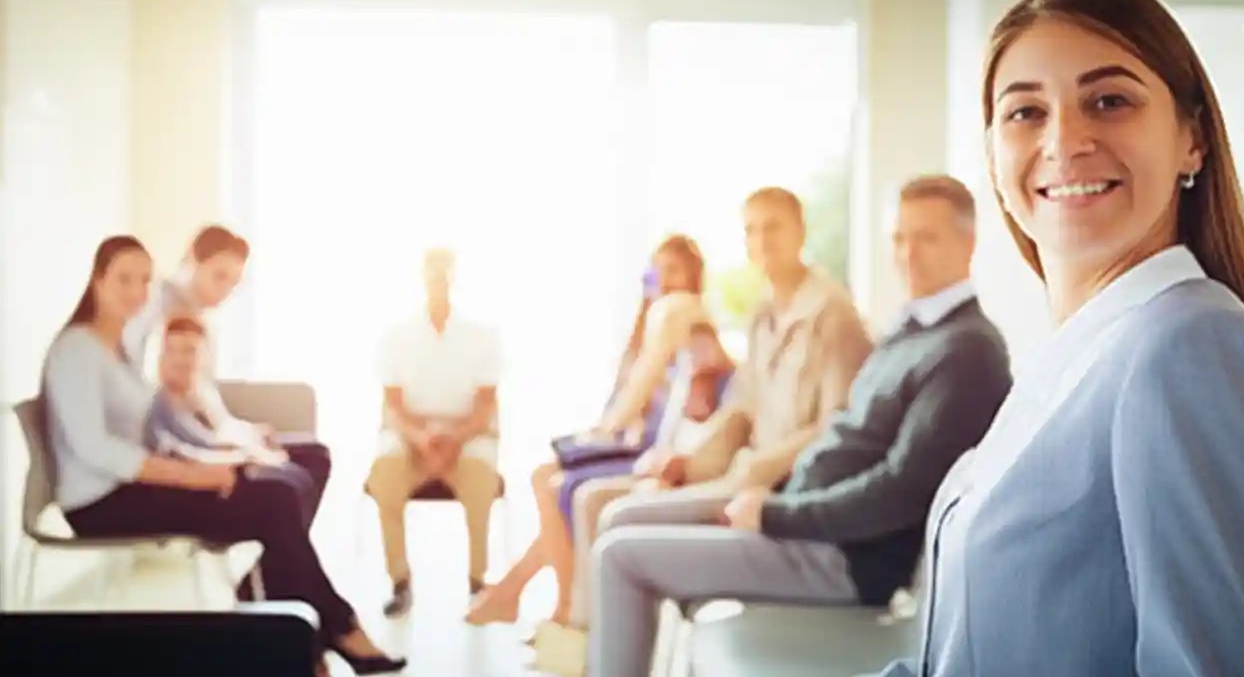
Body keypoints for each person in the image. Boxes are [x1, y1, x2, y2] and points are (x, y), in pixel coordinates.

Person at [874, 0, 1244, 677]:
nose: (1065, 141)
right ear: (995, 157)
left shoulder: (1189, 348)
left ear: (1193, 141)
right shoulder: (1076, 356)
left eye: (1109, 101)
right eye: (1025, 113)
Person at [589, 177, 1012, 676]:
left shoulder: (968, 351)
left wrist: (773, 516)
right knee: (619, 518)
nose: (907, 254)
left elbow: (899, 492)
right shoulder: (911, 330)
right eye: (898, 238)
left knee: (619, 556)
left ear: (969, 242)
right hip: (804, 516)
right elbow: (840, 441)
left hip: (841, 556)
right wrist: (767, 499)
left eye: (927, 238)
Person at [43, 236, 405, 676]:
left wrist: (211, 460)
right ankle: (328, 628)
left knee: (283, 489)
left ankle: (294, 626)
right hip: (101, 503)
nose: (137, 292)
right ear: (97, 281)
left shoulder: (116, 350)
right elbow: (96, 449)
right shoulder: (76, 350)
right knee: (275, 502)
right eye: (123, 279)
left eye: (144, 280)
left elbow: (155, 428)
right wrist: (194, 475)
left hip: (135, 484)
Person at [464, 235, 732, 628]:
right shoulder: (653, 322)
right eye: (658, 270)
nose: (664, 279)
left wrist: (609, 429)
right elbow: (629, 395)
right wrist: (607, 428)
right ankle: (544, 602)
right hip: (638, 440)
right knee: (549, 477)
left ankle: (552, 606)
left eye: (673, 269)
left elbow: (673, 400)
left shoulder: (686, 318)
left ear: (694, 273)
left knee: (556, 485)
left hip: (655, 449)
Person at [593, 187, 873, 539]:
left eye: (772, 227)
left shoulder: (834, 315)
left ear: (801, 232)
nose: (761, 240)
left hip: (779, 490)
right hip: (737, 473)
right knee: (596, 501)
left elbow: (835, 428)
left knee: (620, 520)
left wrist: (753, 472)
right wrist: (689, 463)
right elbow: (743, 408)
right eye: (751, 230)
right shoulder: (763, 312)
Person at [122, 224, 332, 512]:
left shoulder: (203, 322)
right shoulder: (155, 312)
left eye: (234, 283)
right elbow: (167, 415)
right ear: (192, 261)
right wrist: (234, 449)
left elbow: (206, 402)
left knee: (314, 456)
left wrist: (245, 432)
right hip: (179, 448)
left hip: (206, 435)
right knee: (288, 480)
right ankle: (280, 538)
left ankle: (281, 542)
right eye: (219, 277)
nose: (225, 292)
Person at [367, 246, 503, 617]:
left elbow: (486, 403)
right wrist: (422, 439)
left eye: (445, 274)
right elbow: (392, 404)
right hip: (412, 433)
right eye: (432, 274)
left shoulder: (482, 336)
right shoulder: (396, 336)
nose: (439, 282)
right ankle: (400, 581)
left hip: (467, 432)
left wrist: (454, 439)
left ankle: (478, 582)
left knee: (479, 473)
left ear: (456, 278)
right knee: (386, 470)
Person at [147, 316, 323, 529]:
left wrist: (254, 434)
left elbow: (224, 427)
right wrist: (245, 456)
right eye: (171, 351)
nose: (178, 359)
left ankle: (294, 533)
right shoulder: (160, 403)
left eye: (189, 351)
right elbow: (180, 451)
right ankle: (289, 535)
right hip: (213, 471)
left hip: (232, 455)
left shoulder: (202, 392)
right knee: (290, 482)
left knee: (315, 454)